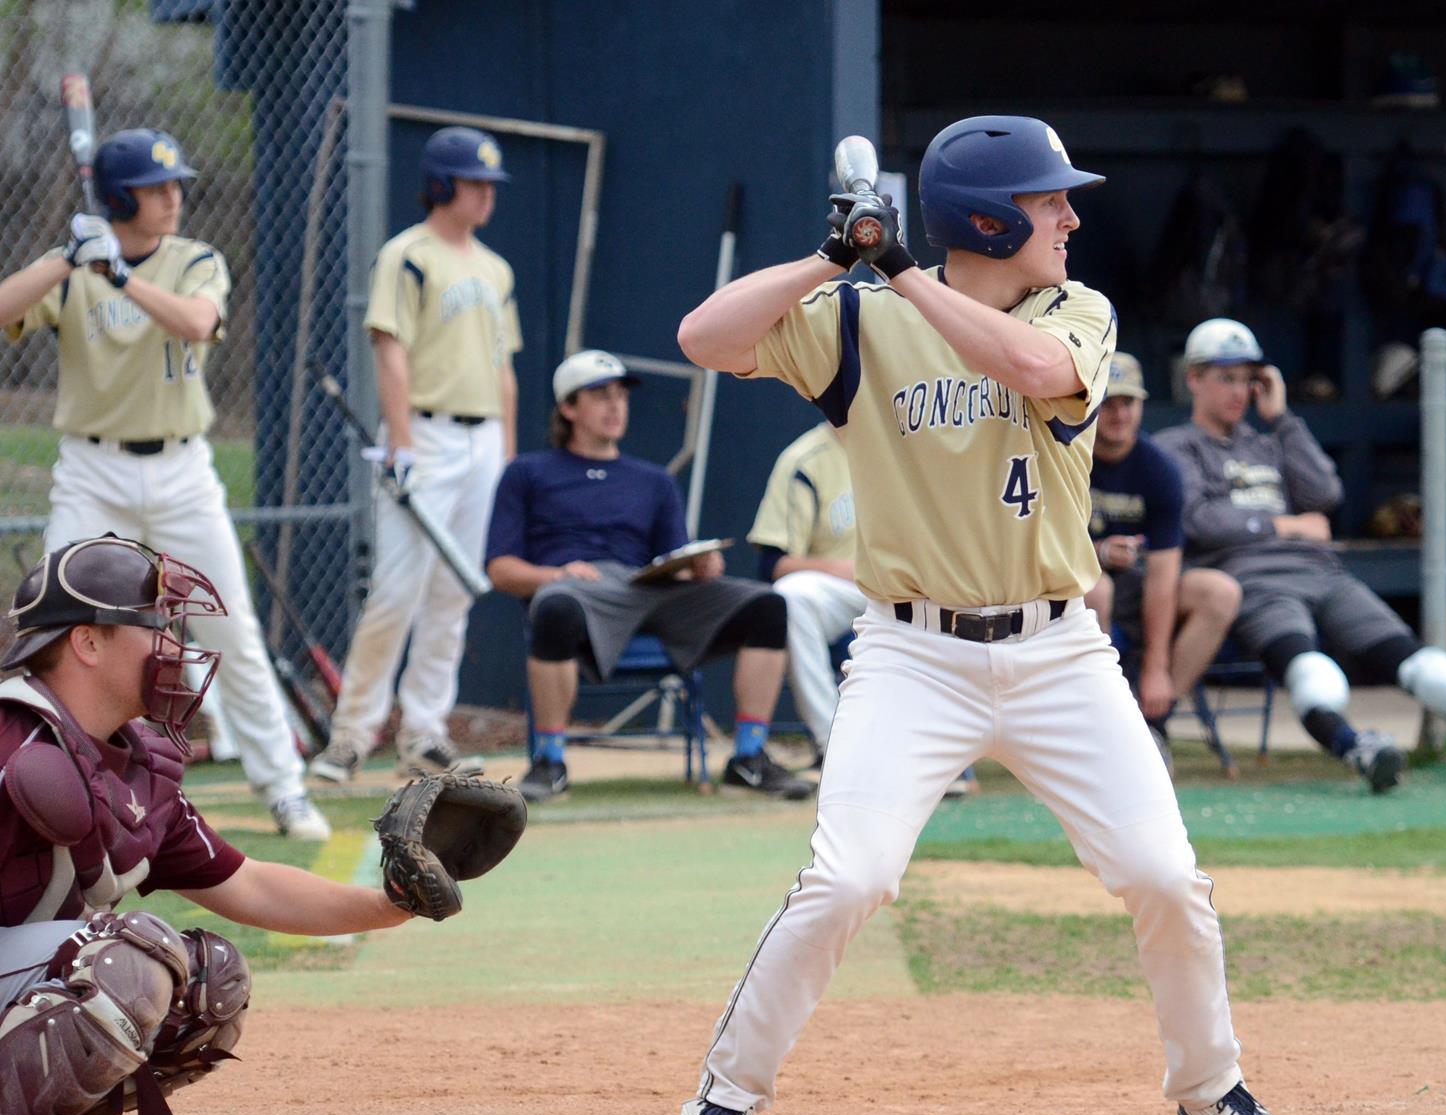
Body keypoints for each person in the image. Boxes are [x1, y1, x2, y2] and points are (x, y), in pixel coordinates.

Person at [673, 115, 1293, 1115]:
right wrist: (834, 259)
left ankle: (1209, 1086)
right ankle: (722, 1095)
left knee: (1161, 875)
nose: (1069, 214)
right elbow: (705, 338)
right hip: (912, 655)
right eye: (1048, 198)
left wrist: (902, 271)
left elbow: (1034, 369)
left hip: (1058, 650)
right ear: (989, 217)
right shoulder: (857, 319)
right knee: (849, 878)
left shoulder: (1075, 311)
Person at [0, 536, 423, 1115]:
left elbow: (247, 882)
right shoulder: (12, 737)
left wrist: (391, 902)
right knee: (130, 959)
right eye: (155, 626)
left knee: (207, 983)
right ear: (87, 641)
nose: (172, 644)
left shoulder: (132, 763)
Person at [0, 128, 330, 841]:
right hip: (92, 468)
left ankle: (284, 786)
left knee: (227, 626)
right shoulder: (77, 264)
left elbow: (198, 319)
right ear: (120, 198)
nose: (174, 198)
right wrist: (66, 260)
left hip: (182, 469)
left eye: (177, 185)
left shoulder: (195, 260)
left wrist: (117, 274)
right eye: (156, 189)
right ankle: (42, 784)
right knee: (54, 623)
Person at [1155, 318, 1446, 792]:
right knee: (1311, 671)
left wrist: (1282, 418)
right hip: (1254, 582)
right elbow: (1198, 521)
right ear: (1194, 379)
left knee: (1421, 665)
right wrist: (1287, 525)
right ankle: (1356, 747)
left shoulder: (1270, 441)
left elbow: (1325, 492)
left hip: (1323, 572)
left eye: (1247, 379)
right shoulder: (1176, 447)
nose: (1239, 391)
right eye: (1226, 378)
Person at [486, 350, 813, 803]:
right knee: (555, 604)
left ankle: (748, 760)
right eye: (600, 396)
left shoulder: (654, 480)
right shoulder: (526, 473)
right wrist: (554, 574)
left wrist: (698, 567)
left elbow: (673, 558)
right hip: (577, 593)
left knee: (768, 605)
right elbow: (500, 569)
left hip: (651, 593)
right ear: (568, 408)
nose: (616, 405)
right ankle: (549, 761)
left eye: (620, 395)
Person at [308, 126, 518, 786]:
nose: (486, 194)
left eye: (490, 184)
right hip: (421, 434)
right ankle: (350, 735)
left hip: (481, 437)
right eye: (475, 182)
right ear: (441, 184)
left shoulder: (495, 267)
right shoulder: (409, 254)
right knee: (397, 590)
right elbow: (388, 347)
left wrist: (506, 453)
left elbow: (504, 367)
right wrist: (399, 439)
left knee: (452, 593)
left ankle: (425, 733)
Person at [747, 424, 978, 796]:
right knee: (790, 597)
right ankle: (835, 749)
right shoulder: (804, 459)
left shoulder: (918, 443)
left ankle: (935, 755)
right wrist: (840, 568)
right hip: (843, 587)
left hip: (911, 584)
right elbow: (773, 564)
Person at [1082, 352, 1241, 755]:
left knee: (1219, 592)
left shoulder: (1159, 469)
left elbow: (1164, 572)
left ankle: (1151, 723)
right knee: (1098, 590)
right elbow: (1042, 544)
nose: (1118, 414)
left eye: (1127, 403)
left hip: (1144, 587)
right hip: (1079, 586)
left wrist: (1155, 668)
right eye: (1108, 402)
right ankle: (1098, 725)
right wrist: (1097, 551)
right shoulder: (1068, 457)